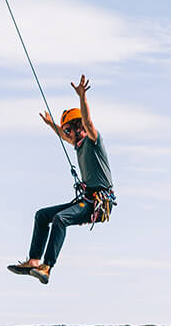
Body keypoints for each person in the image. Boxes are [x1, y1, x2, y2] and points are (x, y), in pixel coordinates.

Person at [8, 75, 113, 284]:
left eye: (72, 129)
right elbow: (64, 135)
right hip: (88, 200)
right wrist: (51, 125)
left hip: (98, 203)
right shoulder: (78, 144)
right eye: (67, 131)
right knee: (42, 215)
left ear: (80, 126)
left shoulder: (93, 140)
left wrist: (82, 98)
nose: (69, 134)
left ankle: (47, 267)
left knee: (60, 219)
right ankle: (34, 261)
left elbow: (89, 122)